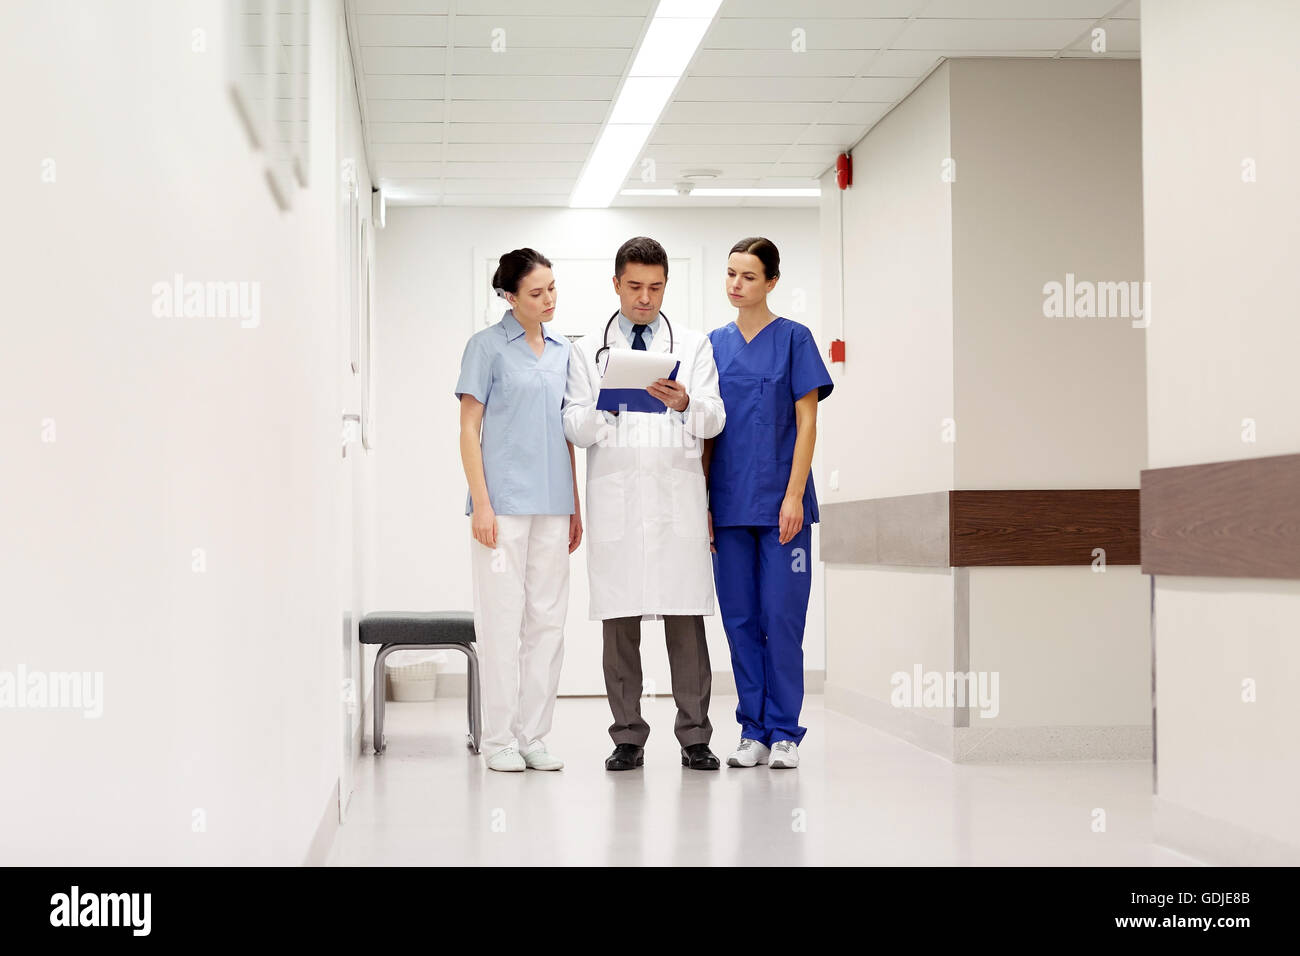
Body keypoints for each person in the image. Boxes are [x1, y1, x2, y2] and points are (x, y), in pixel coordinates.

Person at [563, 237, 726, 771]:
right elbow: (574, 424)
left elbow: (714, 419)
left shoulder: (695, 346)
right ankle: (628, 736)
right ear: (615, 283)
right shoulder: (587, 352)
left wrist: (684, 403)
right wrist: (608, 409)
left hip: (674, 500)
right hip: (619, 502)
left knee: (686, 624)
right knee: (620, 624)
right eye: (634, 286)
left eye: (655, 287)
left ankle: (695, 735)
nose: (645, 298)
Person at [704, 237, 834, 770]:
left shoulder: (794, 340)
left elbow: (808, 422)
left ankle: (784, 731)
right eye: (731, 274)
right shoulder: (712, 344)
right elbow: (706, 431)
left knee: (781, 616)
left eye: (749, 276)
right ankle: (752, 731)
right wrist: (704, 501)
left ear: (772, 282)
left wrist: (793, 495)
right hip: (729, 503)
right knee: (739, 618)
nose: (737, 284)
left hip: (785, 506)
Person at [455, 248, 583, 772]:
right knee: (501, 620)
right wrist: (481, 503)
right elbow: (469, 428)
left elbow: (568, 429)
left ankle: (534, 735)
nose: (549, 299)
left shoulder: (563, 351)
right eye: (536, 292)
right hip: (502, 506)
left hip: (553, 504)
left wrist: (574, 502)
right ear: (509, 296)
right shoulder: (485, 348)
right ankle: (500, 738)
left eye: (552, 288)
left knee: (548, 623)